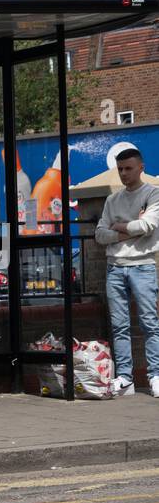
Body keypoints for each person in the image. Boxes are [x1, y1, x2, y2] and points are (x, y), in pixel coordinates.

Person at [94, 147, 159, 397]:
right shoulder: (112, 200)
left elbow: (148, 224)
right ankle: (125, 378)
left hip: (143, 265)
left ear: (141, 167)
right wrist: (130, 230)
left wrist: (118, 227)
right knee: (119, 325)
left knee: (149, 323)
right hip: (115, 268)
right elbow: (100, 235)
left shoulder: (153, 194)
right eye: (120, 169)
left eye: (128, 168)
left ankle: (155, 375)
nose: (123, 173)